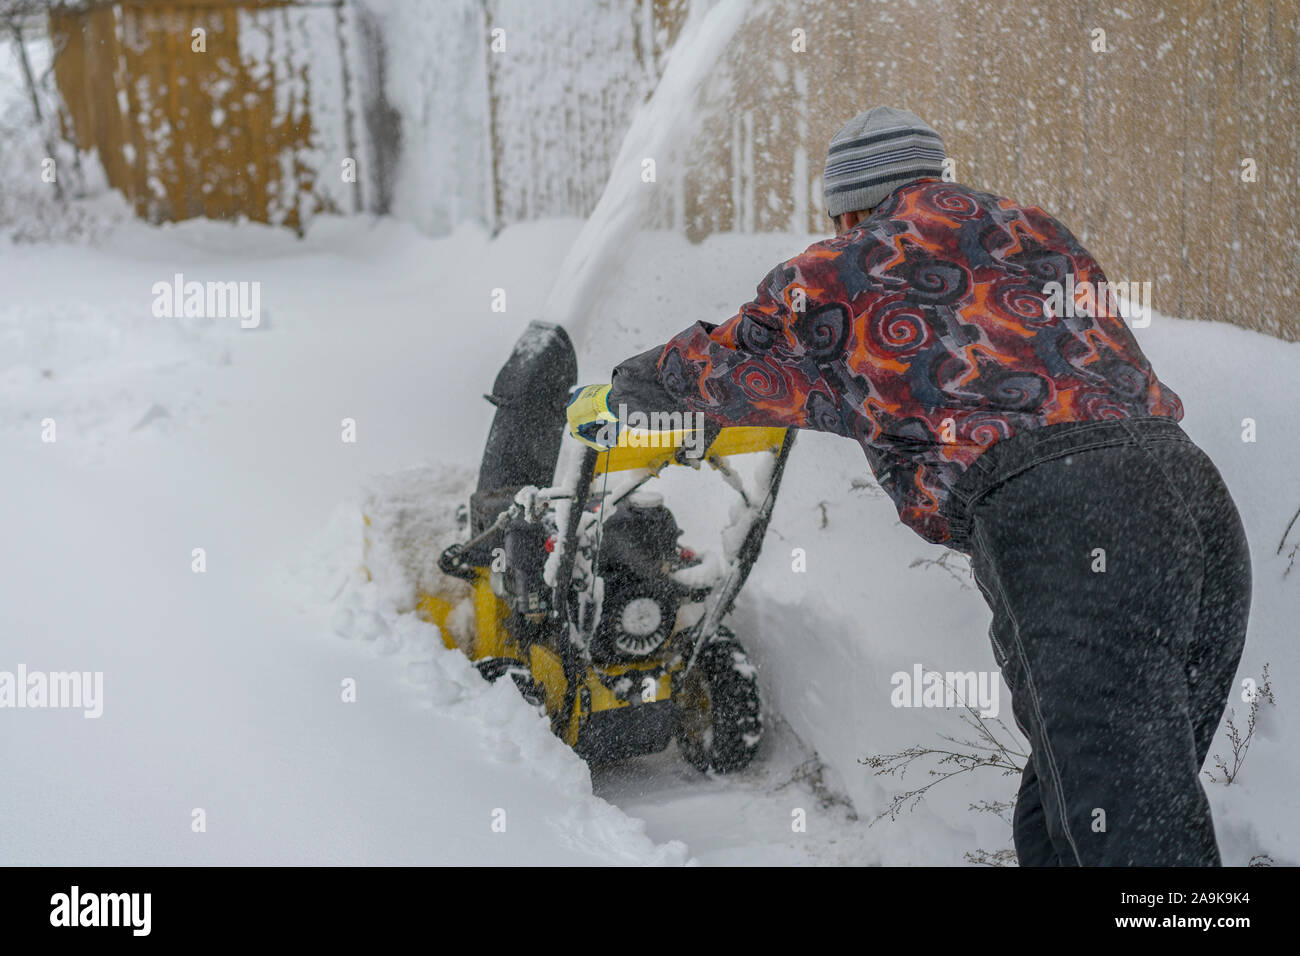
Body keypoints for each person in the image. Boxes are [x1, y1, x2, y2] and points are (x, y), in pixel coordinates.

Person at [565, 106, 1251, 866]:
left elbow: (734, 360)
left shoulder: (845, 267)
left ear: (850, 204)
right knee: (1081, 810)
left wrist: (633, 387)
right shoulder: (1035, 232)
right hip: (1194, 501)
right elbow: (905, 386)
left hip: (1070, 515)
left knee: (1128, 832)